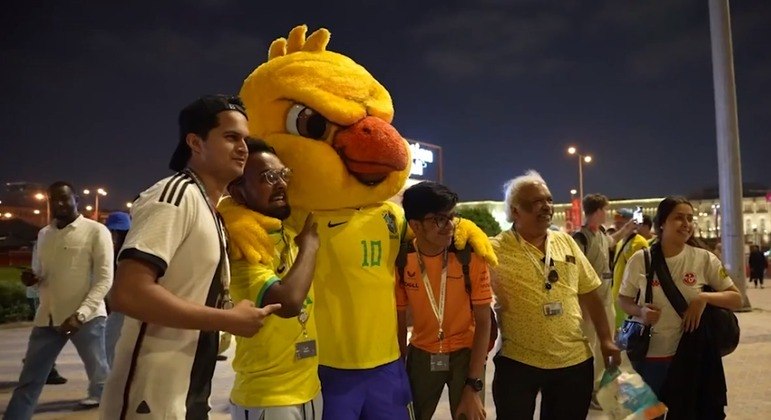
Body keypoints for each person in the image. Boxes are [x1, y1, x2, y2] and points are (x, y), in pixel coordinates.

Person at [100, 95, 281, 420]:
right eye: (231, 137)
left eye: (244, 138)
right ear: (196, 143)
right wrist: (228, 320)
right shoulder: (175, 196)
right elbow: (128, 293)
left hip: (188, 388)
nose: (243, 148)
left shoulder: (209, 208)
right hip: (152, 393)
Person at [489, 170, 620, 420]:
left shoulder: (566, 242)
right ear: (515, 211)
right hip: (518, 362)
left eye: (548, 200)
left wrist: (606, 339)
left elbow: (590, 291)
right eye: (535, 202)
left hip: (573, 361)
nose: (546, 206)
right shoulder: (495, 249)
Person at [218, 138, 322, 419]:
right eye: (267, 177)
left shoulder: (289, 233)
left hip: (311, 389)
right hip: (267, 397)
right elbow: (288, 303)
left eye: (283, 174)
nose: (281, 184)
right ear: (238, 192)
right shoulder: (242, 246)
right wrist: (310, 246)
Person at [618, 196, 742, 417]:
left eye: (690, 219)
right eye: (679, 218)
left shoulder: (704, 259)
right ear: (662, 223)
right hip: (650, 359)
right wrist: (641, 312)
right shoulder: (641, 260)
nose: (686, 224)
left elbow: (736, 298)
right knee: (648, 415)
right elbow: (624, 300)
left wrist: (703, 298)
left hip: (691, 358)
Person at [4, 181, 113, 420]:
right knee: (29, 381)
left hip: (85, 320)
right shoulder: (44, 234)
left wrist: (81, 314)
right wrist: (33, 278)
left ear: (76, 200)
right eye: (54, 200)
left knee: (101, 378)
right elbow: (42, 273)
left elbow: (104, 279)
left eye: (65, 198)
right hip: (47, 318)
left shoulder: (96, 231)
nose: (60, 204)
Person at [395, 181, 492, 420]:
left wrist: (473, 385)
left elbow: (484, 322)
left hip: (466, 353)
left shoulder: (469, 256)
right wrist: (398, 371)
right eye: (439, 219)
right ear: (415, 225)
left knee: (470, 415)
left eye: (451, 217)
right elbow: (398, 321)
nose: (449, 226)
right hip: (422, 352)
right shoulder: (402, 259)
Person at [572, 194, 634, 408]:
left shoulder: (599, 235)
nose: (607, 213)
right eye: (605, 209)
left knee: (604, 348)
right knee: (590, 347)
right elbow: (575, 273)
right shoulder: (580, 238)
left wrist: (627, 230)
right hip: (589, 305)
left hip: (606, 301)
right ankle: (588, 390)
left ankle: (600, 388)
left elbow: (612, 240)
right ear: (598, 211)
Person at [610, 208, 649, 327]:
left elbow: (643, 272)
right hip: (617, 295)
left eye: (621, 223)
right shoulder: (620, 242)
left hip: (630, 298)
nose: (617, 226)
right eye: (616, 222)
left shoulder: (640, 242)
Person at [103, 211, 131, 367]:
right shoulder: (119, 250)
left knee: (110, 344)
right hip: (122, 306)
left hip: (122, 306)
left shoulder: (122, 252)